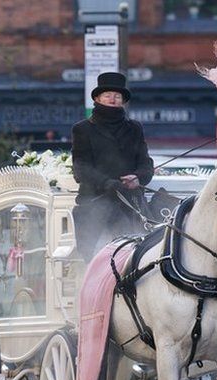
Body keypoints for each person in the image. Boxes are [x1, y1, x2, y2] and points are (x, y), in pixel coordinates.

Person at [71, 71, 154, 261]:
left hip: (130, 203)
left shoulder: (134, 128)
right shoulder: (83, 129)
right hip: (95, 202)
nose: (113, 99)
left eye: (117, 96)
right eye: (108, 95)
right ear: (98, 98)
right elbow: (81, 167)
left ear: (123, 101)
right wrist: (107, 183)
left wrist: (138, 178)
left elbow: (146, 163)